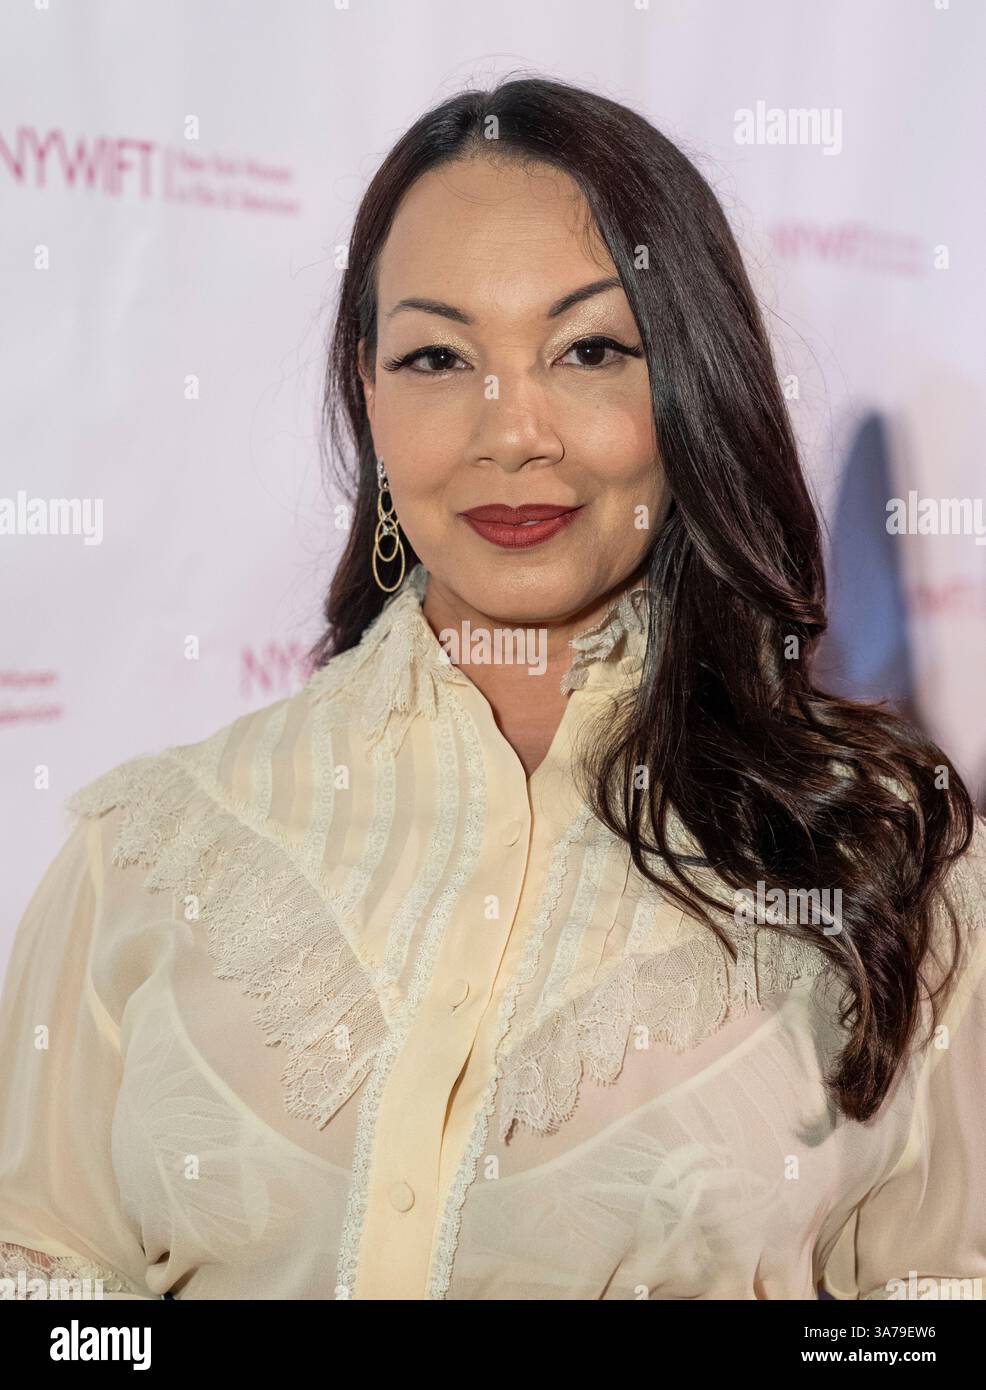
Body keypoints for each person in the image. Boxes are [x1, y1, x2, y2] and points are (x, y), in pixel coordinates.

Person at [2, 75, 984, 1302]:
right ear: (368, 393)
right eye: (435, 355)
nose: (509, 429)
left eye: (587, 349)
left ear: (688, 380)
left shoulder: (894, 861)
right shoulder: (149, 850)